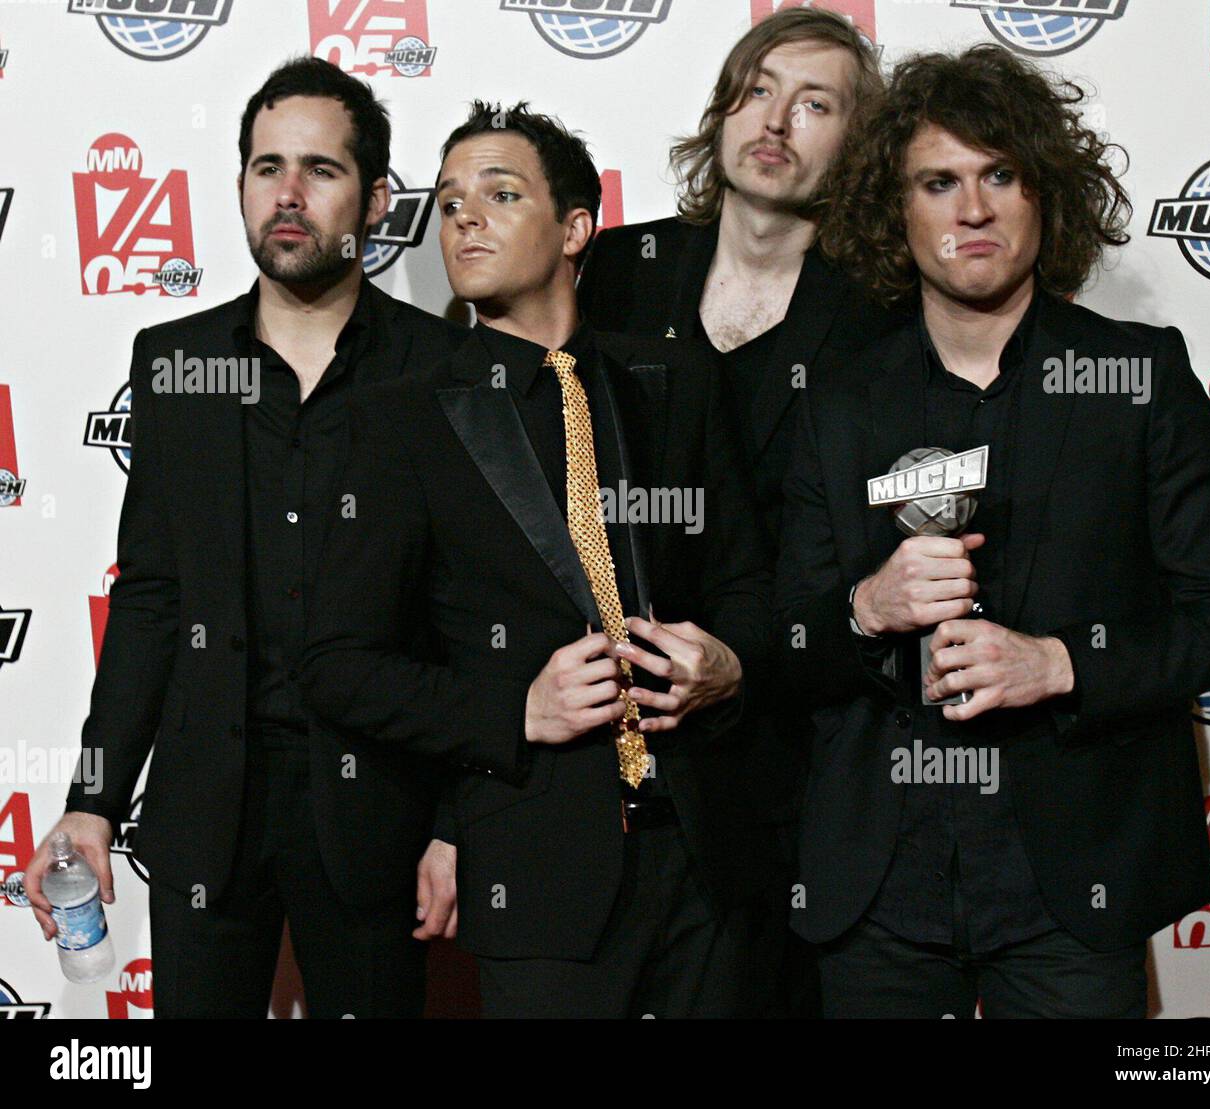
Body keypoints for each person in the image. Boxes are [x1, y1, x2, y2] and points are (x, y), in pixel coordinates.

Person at [775, 44, 1210, 1018]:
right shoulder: (837, 403)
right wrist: (862, 608)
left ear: (1043, 193)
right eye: (939, 180)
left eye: (998, 174)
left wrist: (1060, 662)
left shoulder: (1136, 378)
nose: (971, 208)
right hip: (876, 894)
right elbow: (787, 641)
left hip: (1069, 891)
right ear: (896, 208)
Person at [300, 101, 777, 1018]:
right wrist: (515, 709)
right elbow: (339, 666)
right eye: (447, 202)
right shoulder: (400, 420)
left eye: (499, 193)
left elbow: (751, 585)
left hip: (710, 861)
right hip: (538, 870)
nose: (464, 218)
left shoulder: (676, 380)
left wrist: (730, 660)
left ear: (575, 228)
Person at [25, 57, 467, 1017]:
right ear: (239, 187)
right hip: (207, 814)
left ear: (379, 199)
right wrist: (95, 800)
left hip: (377, 810)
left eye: (320, 169)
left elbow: (466, 616)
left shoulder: (442, 369)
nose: (290, 196)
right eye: (267, 168)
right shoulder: (175, 364)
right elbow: (149, 599)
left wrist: (457, 821)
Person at [578, 2, 889, 1016]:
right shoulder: (618, 273)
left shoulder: (878, 314)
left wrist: (750, 661)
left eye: (813, 104)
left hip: (789, 770)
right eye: (757, 90)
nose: (774, 118)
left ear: (855, 144)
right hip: (612, 756)